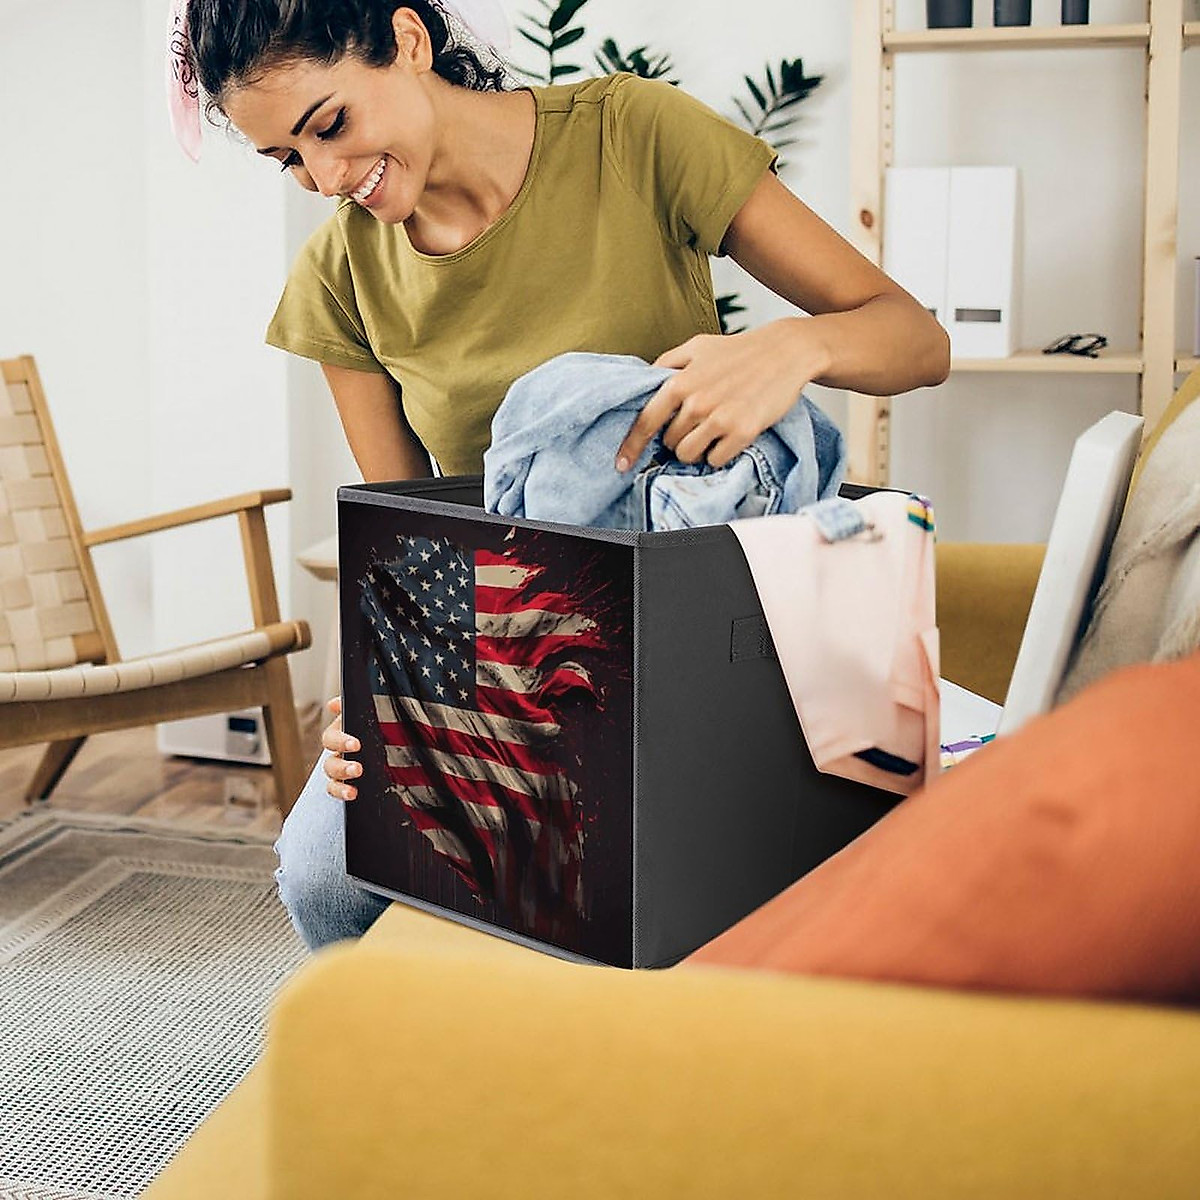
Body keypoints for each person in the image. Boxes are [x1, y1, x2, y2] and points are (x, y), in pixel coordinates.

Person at [180, 0, 949, 950]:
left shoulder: (633, 135)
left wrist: (795, 347)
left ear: (408, 42)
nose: (326, 178)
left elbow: (918, 342)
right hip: (510, 653)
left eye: (330, 124)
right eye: (287, 159)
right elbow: (406, 546)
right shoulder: (340, 272)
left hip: (707, 624)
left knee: (652, 883)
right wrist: (374, 706)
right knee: (323, 873)